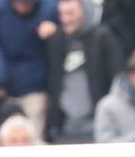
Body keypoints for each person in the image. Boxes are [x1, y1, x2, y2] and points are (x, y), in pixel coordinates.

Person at [43, 0, 121, 143]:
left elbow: (117, 76)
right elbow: (53, 81)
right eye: (62, 14)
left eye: (71, 13)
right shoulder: (57, 39)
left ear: (85, 11)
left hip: (96, 126)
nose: (66, 19)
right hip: (65, 128)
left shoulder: (102, 37)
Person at [0, 0, 58, 139]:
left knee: (33, 138)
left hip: (36, 87)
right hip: (6, 89)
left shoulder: (50, 9)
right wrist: (0, 77)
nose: (22, 7)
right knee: (5, 139)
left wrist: (54, 31)